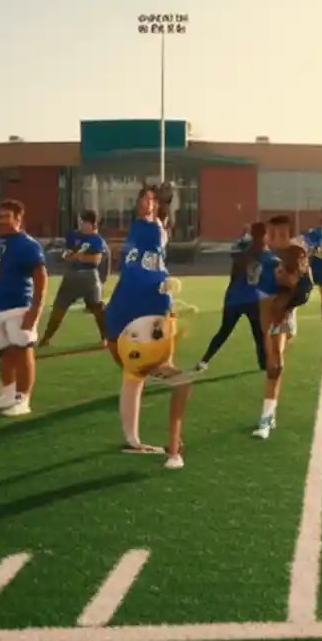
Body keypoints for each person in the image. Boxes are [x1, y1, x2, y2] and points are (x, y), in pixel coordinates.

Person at [105, 186, 192, 468]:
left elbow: (161, 229)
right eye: (142, 198)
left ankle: (165, 442)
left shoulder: (157, 230)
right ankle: (134, 438)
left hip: (151, 306)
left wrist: (163, 205)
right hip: (129, 304)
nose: (145, 203)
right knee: (133, 374)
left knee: (150, 370)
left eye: (150, 199)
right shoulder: (139, 228)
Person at [0, 200, 47, 416]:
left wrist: (35, 311)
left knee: (22, 350)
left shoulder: (28, 245)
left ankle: (23, 398)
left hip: (17, 305)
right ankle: (6, 393)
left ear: (18, 219)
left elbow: (41, 278)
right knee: (4, 352)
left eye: (4, 216)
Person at [252, 214, 307, 440]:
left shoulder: (295, 254)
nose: (277, 238)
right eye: (273, 234)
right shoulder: (263, 256)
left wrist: (292, 282)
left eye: (282, 234)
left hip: (283, 312)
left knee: (276, 364)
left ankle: (268, 416)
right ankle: (267, 417)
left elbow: (304, 289)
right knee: (274, 364)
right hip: (267, 310)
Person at [196, 221, 269, 372]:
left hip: (244, 298)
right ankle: (205, 359)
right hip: (241, 297)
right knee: (231, 332)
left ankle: (263, 363)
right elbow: (238, 259)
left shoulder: (260, 251)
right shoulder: (250, 248)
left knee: (255, 333)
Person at [39, 210, 109, 348]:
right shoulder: (73, 235)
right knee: (59, 307)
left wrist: (77, 256)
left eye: (84, 222)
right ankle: (46, 338)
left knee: (98, 308)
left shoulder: (97, 240)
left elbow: (95, 260)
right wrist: (70, 256)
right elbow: (67, 254)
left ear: (92, 224)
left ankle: (106, 337)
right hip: (72, 275)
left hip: (90, 277)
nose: (81, 224)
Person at [302, 207, 322, 321]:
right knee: (311, 283)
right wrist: (314, 248)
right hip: (315, 260)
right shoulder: (316, 232)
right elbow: (307, 241)